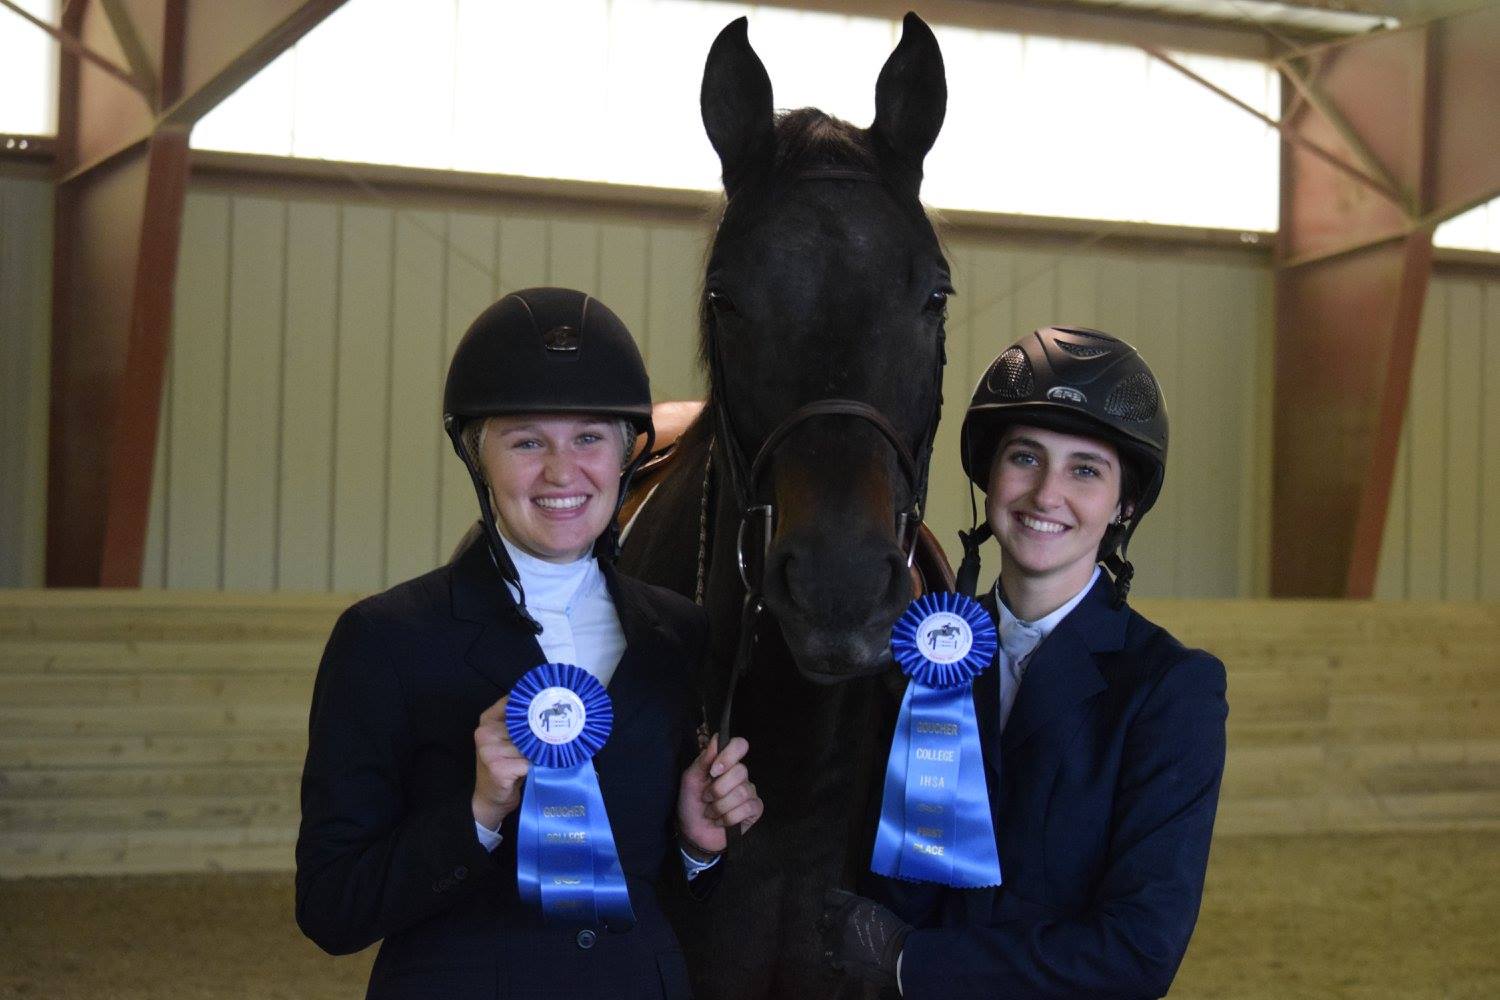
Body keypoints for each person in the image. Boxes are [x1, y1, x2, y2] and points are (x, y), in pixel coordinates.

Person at [296, 287, 763, 1000]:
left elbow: (665, 893)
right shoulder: (385, 640)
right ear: (477, 455)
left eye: (588, 437)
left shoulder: (680, 637)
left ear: (624, 454)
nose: (560, 472)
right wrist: (478, 813)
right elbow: (332, 908)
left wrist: (697, 847)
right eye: (526, 441)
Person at [821, 325, 1228, 999]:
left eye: (1085, 471)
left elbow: (1137, 951)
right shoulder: (921, 656)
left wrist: (909, 965)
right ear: (989, 475)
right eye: (1025, 458)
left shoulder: (1171, 690)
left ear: (1124, 503)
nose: (1045, 495)